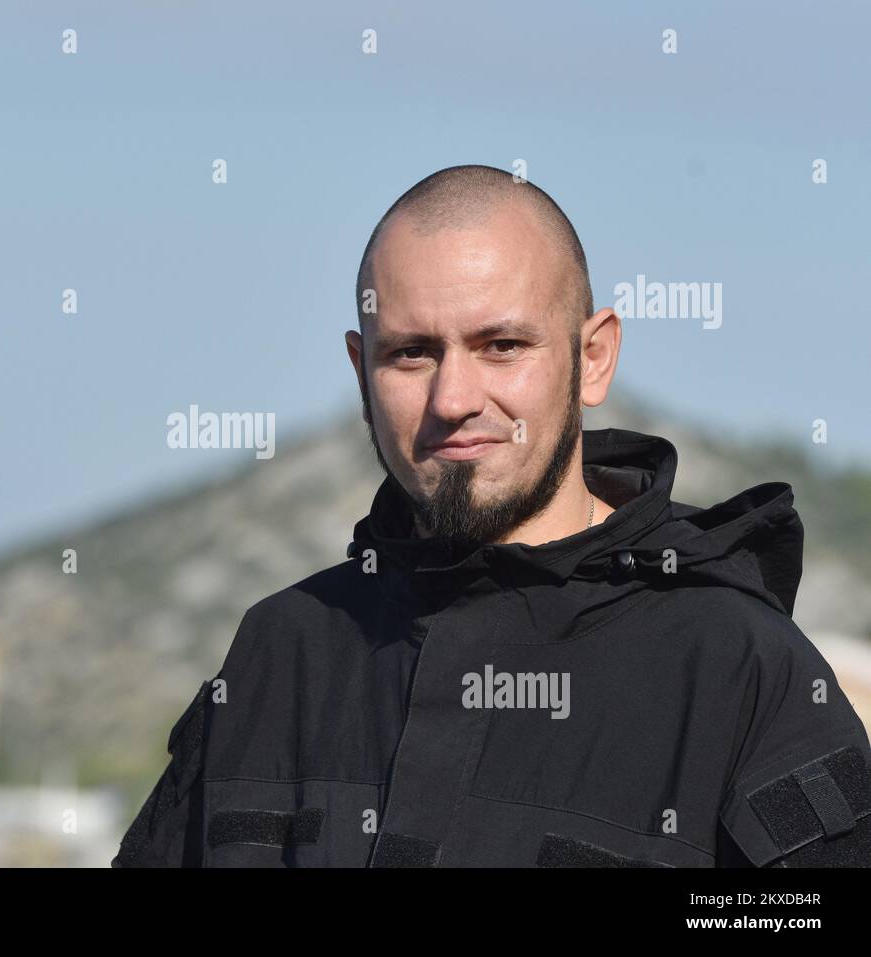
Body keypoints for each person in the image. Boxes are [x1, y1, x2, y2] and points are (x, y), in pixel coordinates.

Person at [112, 164, 871, 867]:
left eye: (502, 345)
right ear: (360, 369)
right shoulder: (282, 650)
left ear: (595, 357)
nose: (453, 398)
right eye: (410, 353)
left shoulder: (740, 671)